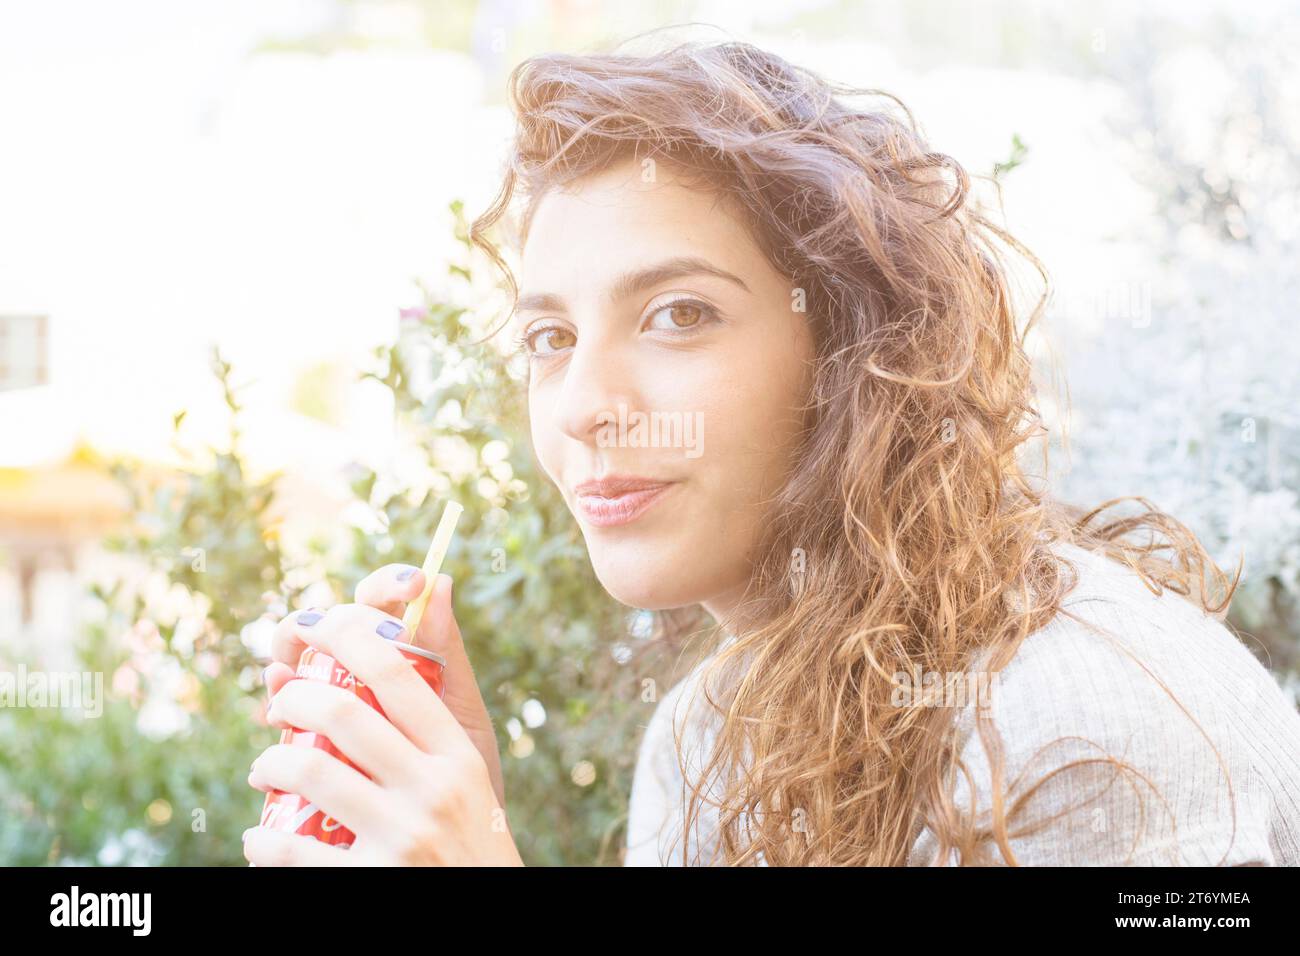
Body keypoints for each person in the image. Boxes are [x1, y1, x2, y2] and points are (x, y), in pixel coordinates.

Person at [243, 39, 1300, 867]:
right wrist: (456, 817)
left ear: (852, 350)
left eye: (678, 314)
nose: (585, 406)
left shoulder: (1080, 728)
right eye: (549, 338)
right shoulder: (703, 735)